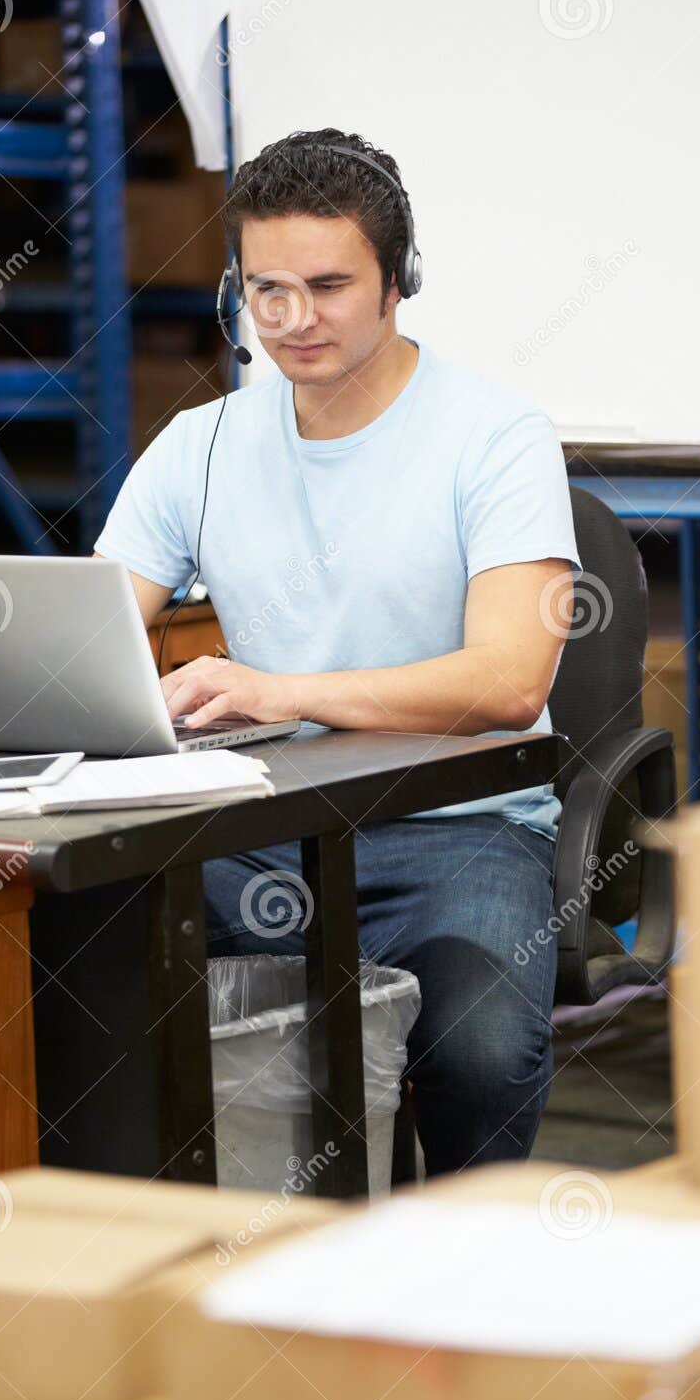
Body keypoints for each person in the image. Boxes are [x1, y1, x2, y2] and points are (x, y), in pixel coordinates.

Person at [94, 126, 582, 1175]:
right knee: (85, 978)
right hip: (263, 829)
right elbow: (84, 640)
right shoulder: (204, 443)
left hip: (456, 831)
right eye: (265, 288)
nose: (291, 319)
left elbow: (507, 682)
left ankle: (464, 1289)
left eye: (326, 285)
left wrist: (278, 688)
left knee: (480, 1049)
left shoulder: (495, 437)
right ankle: (186, 1269)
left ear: (398, 282)